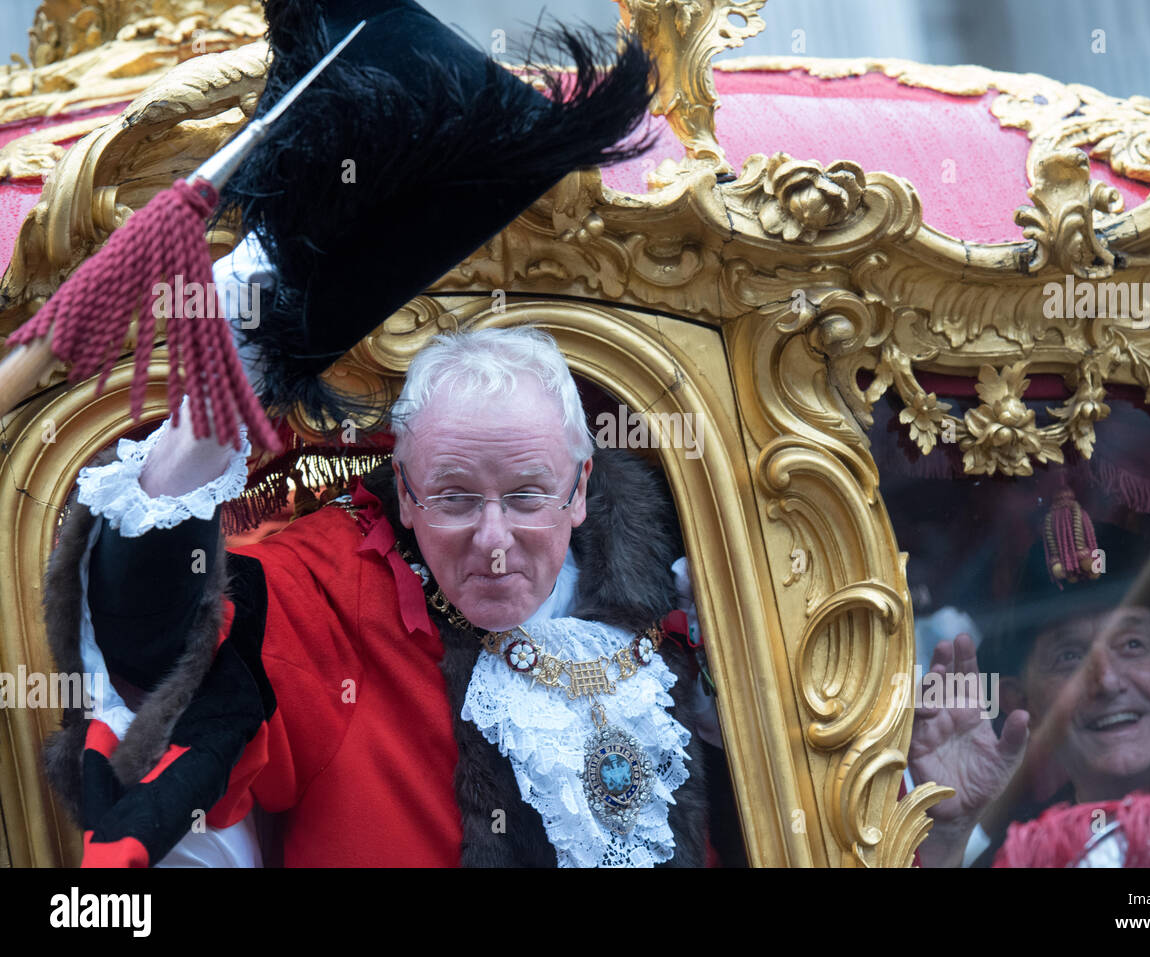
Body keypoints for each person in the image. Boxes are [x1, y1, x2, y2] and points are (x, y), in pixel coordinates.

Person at [42, 326, 728, 867]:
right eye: (455, 498)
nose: (494, 541)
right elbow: (163, 641)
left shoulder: (686, 579)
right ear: (405, 490)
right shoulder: (328, 587)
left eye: (526, 496)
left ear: (579, 489)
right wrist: (214, 398)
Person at [908, 508, 1150, 867]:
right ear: (1019, 702)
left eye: (1132, 646)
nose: (1107, 681)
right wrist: (948, 834)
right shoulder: (1018, 849)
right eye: (1069, 657)